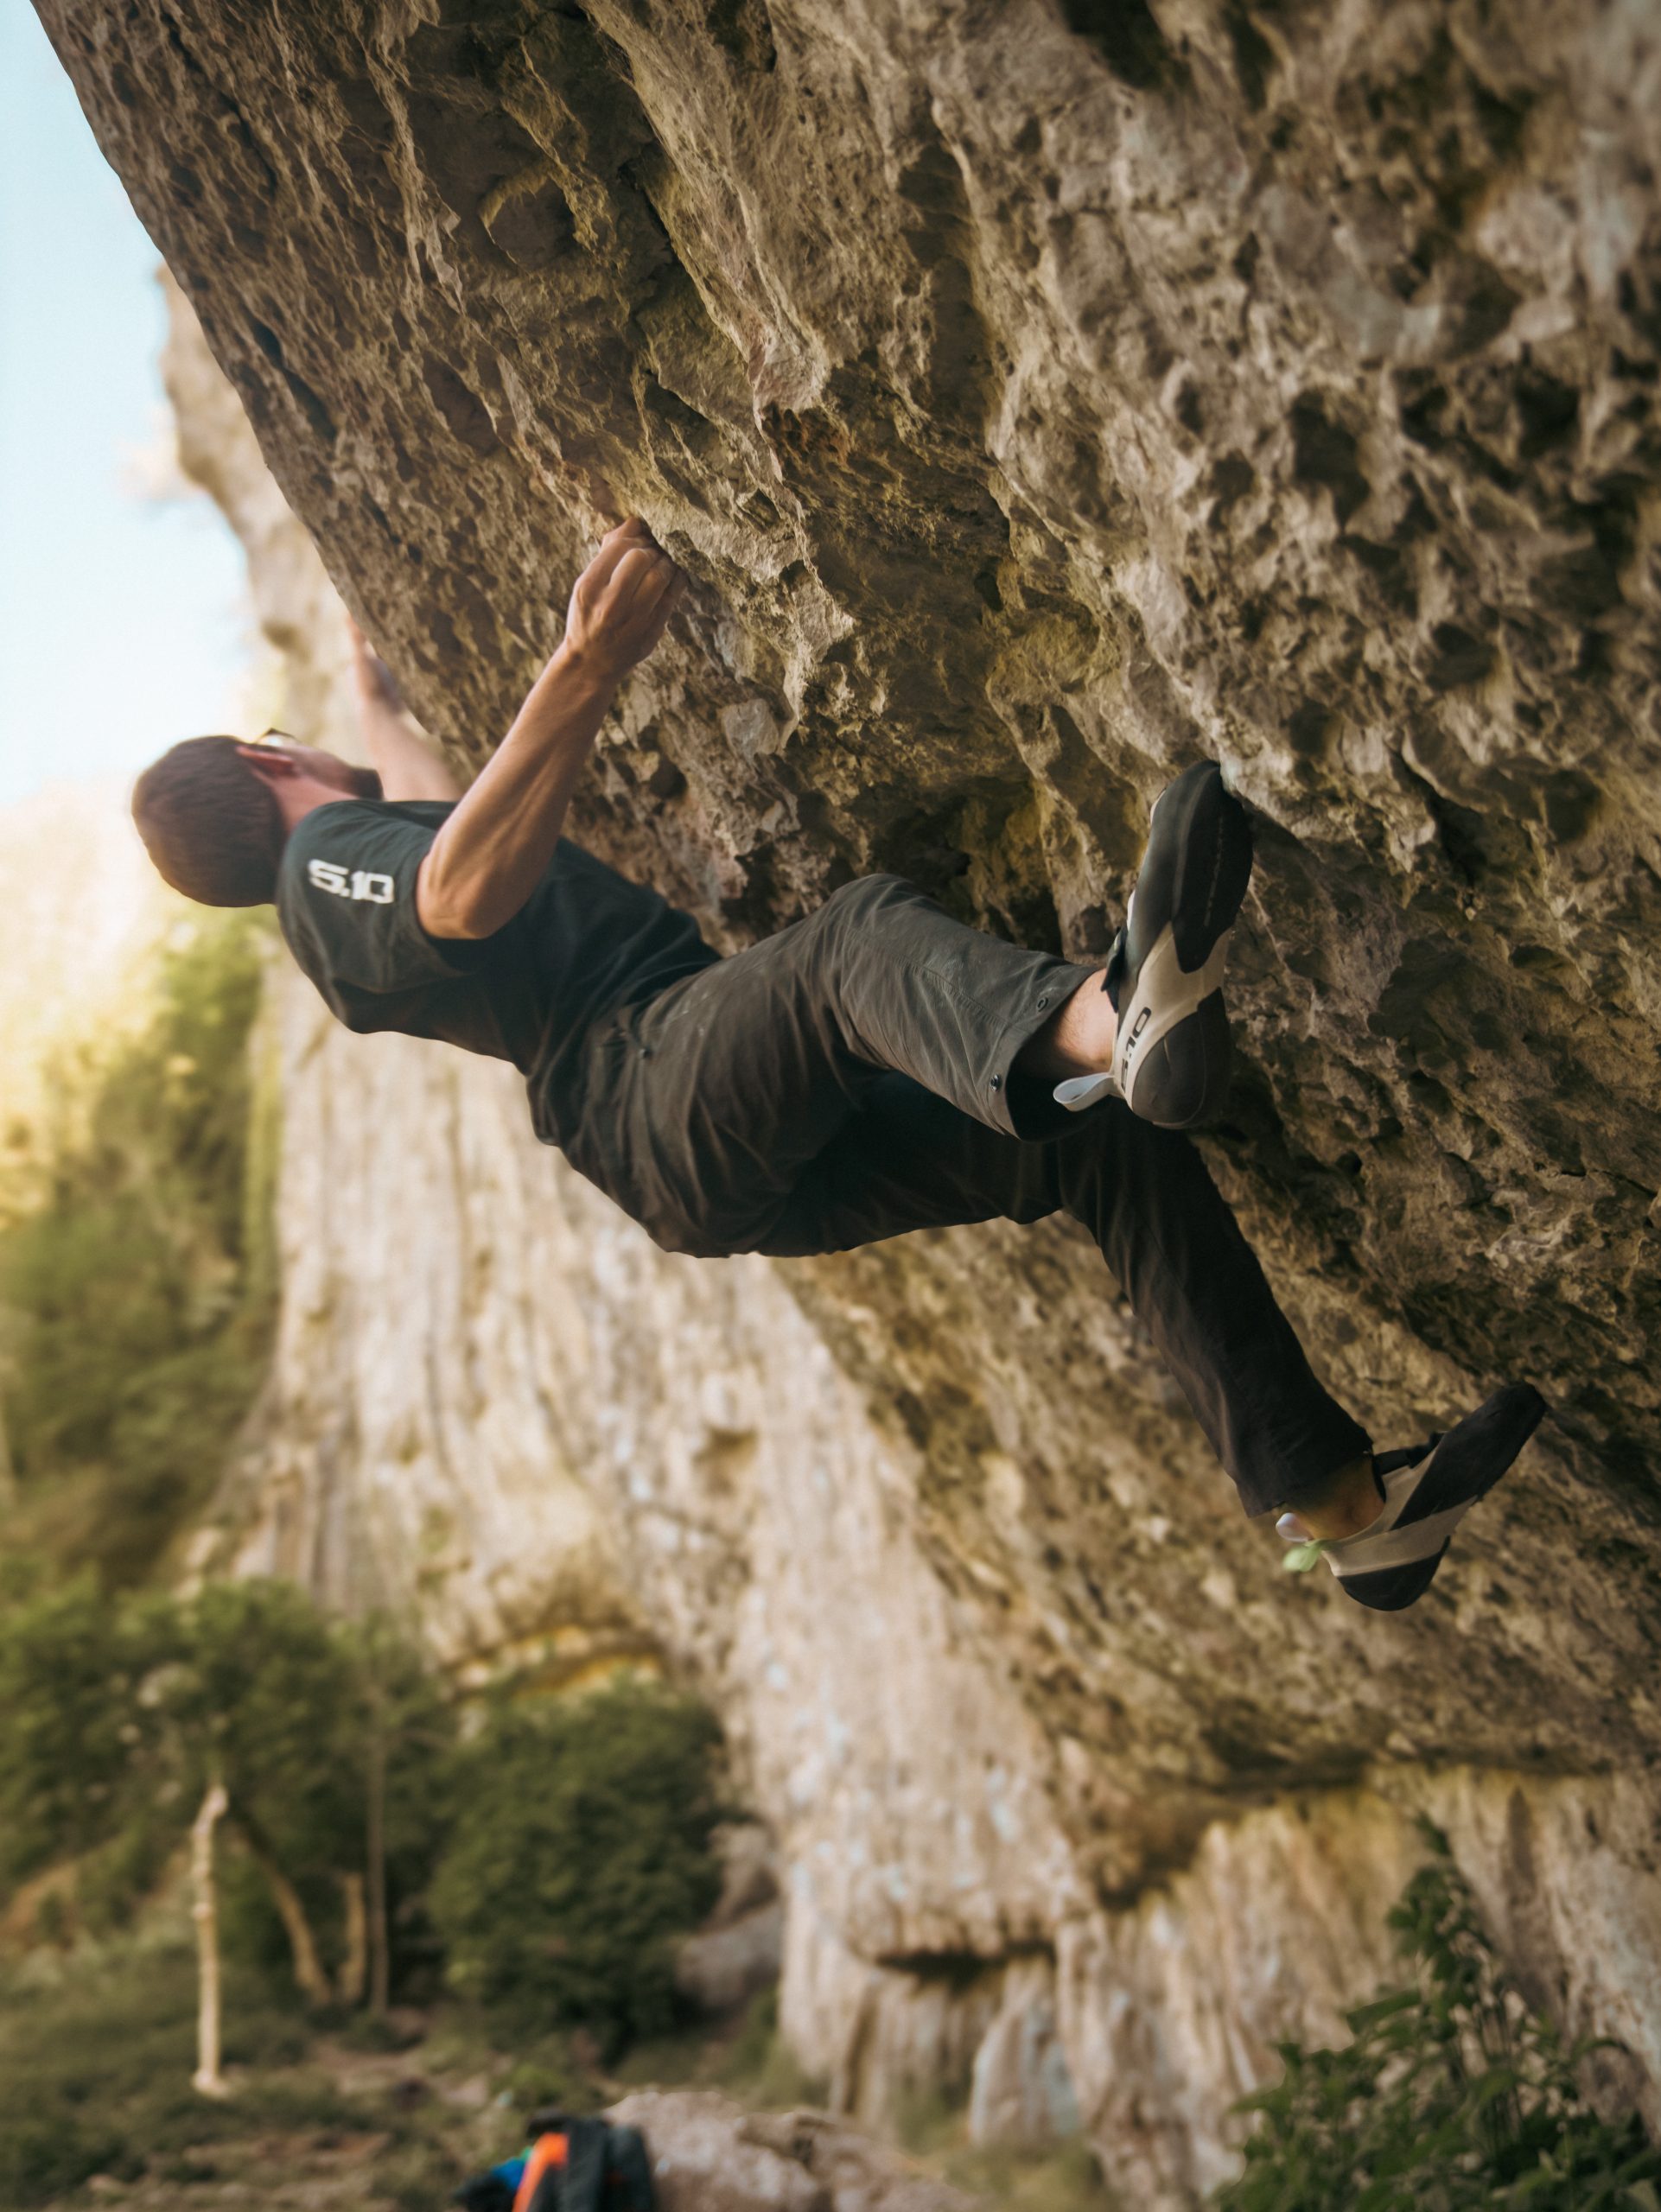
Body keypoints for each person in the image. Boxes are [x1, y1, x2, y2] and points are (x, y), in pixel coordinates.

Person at [131, 520, 1543, 1611]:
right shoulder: (330, 870)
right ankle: (1117, 1018)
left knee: (1092, 1143)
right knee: (850, 948)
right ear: (265, 760)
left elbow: (423, 809)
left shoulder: (336, 872)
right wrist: (586, 666)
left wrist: (370, 679)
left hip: (701, 1159)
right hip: (647, 1087)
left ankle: (1348, 1516)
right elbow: (450, 889)